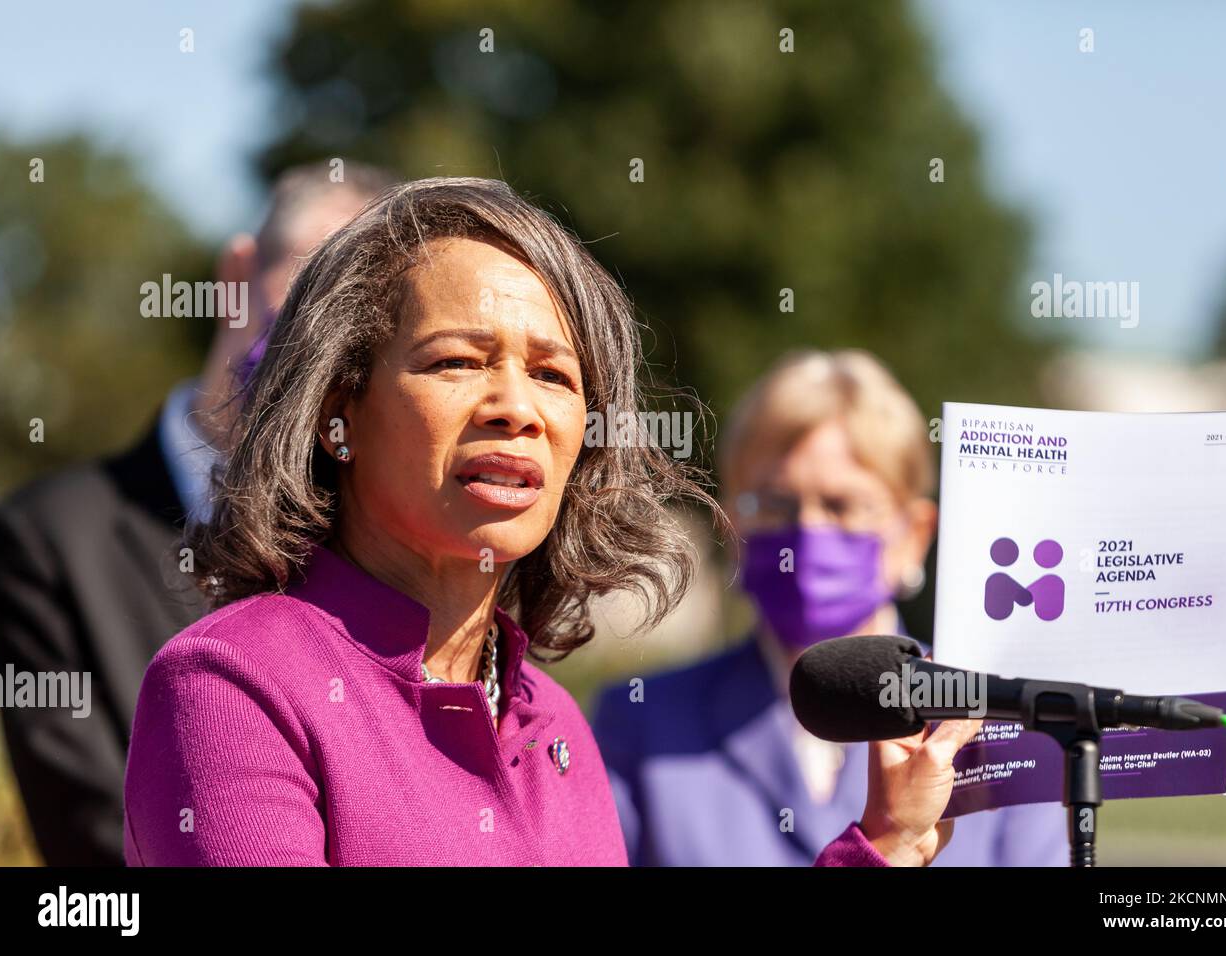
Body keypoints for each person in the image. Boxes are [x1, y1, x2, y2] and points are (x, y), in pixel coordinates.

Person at [122, 178, 981, 866]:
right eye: (457, 361)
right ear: (336, 409)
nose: (516, 409)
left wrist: (886, 845)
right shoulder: (233, 687)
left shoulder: (554, 722)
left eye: (555, 377)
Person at [0, 161, 397, 865]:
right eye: (306, 286)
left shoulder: (388, 545)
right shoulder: (49, 538)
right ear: (237, 275)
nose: (316, 335)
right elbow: (92, 840)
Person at [593, 349, 1069, 866]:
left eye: (843, 506)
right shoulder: (643, 723)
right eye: (774, 504)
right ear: (731, 525)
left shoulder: (1001, 726)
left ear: (913, 535)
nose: (809, 533)